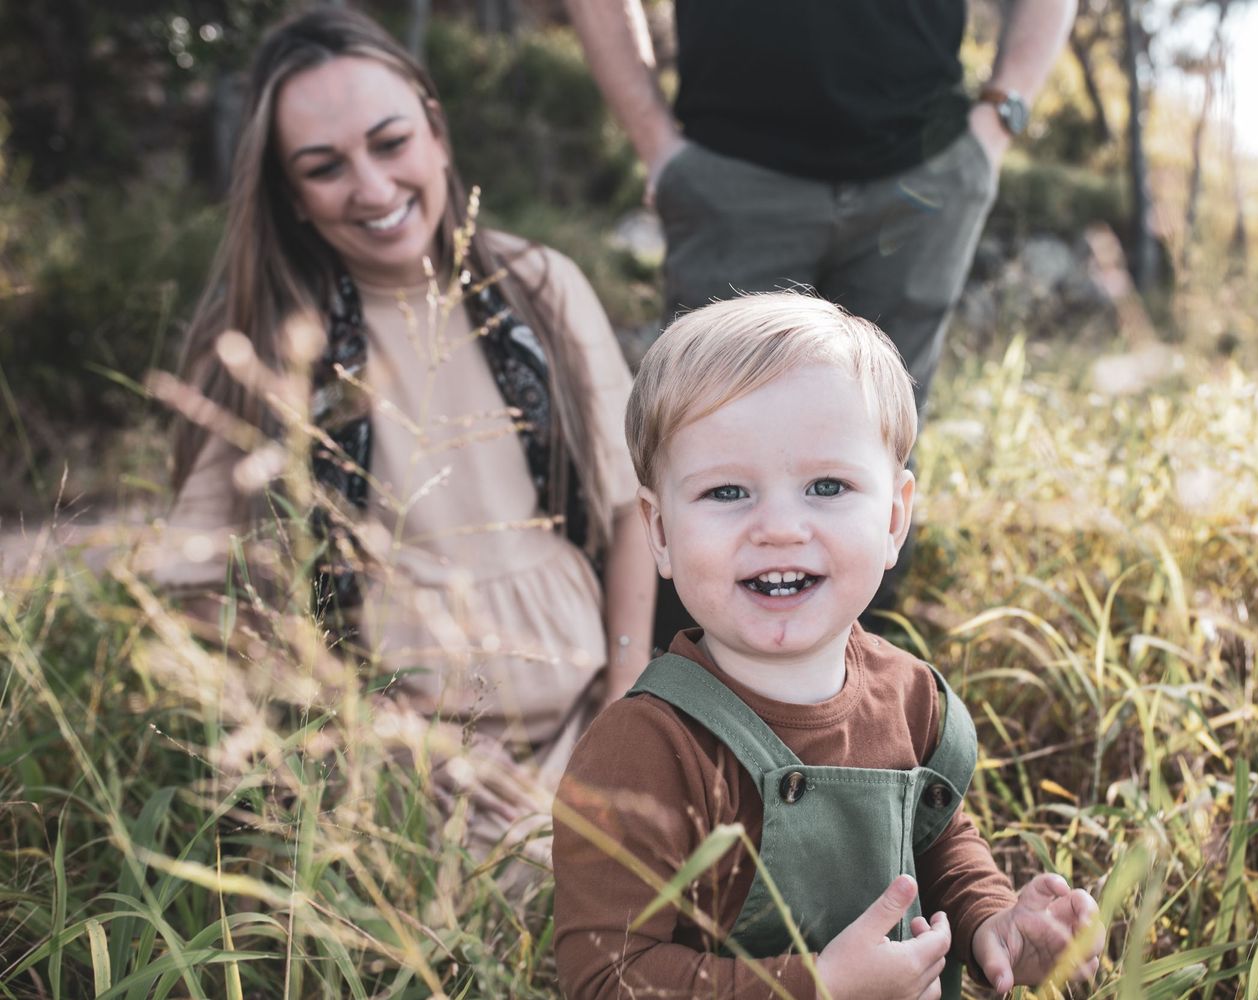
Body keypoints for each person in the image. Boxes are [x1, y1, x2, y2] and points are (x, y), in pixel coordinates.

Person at [151, 7, 656, 854]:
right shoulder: (274, 346)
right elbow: (198, 592)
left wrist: (626, 717)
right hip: (405, 773)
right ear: (293, 199)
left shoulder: (538, 286)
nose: (374, 189)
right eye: (325, 168)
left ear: (437, 132)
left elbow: (633, 512)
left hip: (594, 718)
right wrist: (381, 735)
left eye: (390, 143)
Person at [552, 293, 1102, 998]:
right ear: (659, 532)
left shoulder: (910, 696)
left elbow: (937, 847)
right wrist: (815, 986)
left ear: (896, 517)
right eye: (726, 492)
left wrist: (991, 923)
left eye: (826, 485)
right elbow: (603, 977)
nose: (779, 527)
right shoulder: (645, 747)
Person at [564, 0, 1078, 646]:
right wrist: (654, 141)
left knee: (873, 450)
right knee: (704, 447)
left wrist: (1001, 116)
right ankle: (683, 724)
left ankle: (856, 721)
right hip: (731, 173)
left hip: (922, 175)